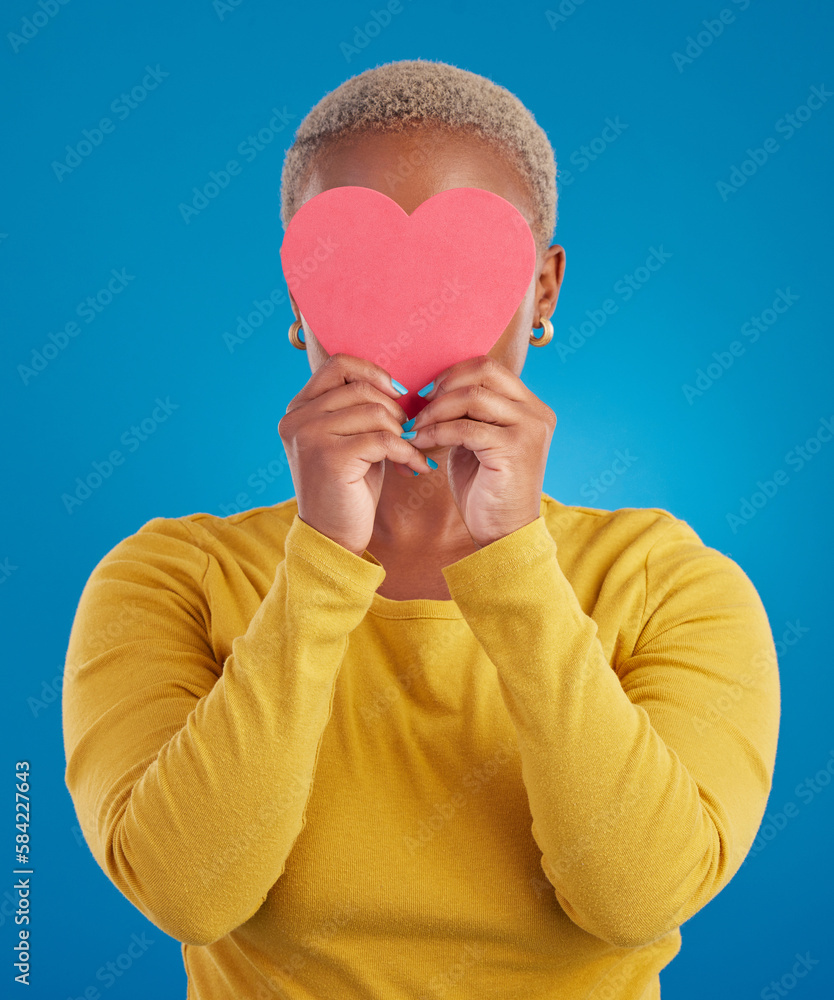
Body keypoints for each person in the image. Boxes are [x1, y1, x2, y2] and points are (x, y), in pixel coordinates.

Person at [62, 59, 781, 999]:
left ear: (546, 290)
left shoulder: (671, 585)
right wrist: (320, 562)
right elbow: (189, 895)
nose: (415, 313)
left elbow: (636, 899)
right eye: (354, 271)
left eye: (465, 273)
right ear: (297, 297)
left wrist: (516, 556)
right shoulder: (166, 578)